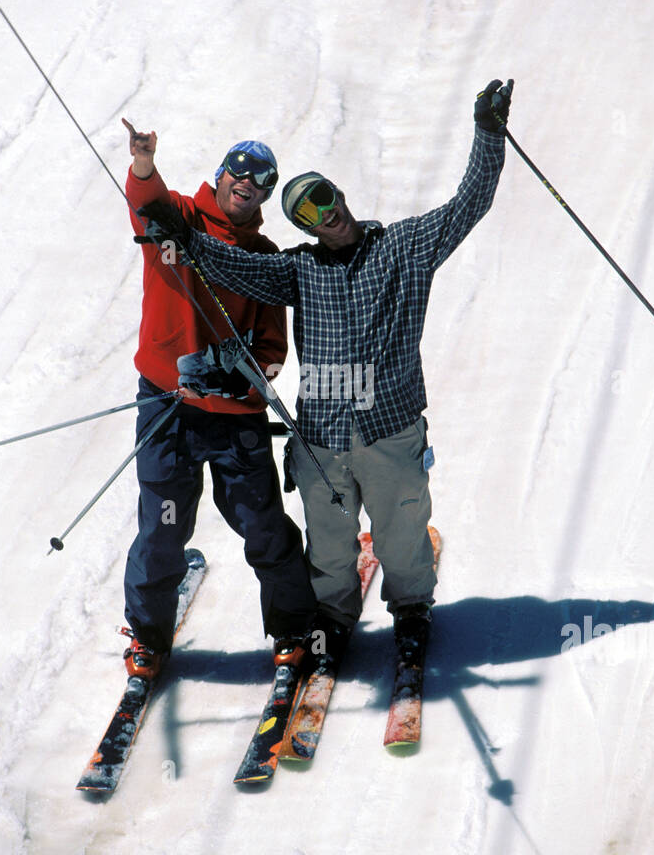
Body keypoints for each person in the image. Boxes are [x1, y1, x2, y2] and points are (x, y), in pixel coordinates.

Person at [131, 80, 512, 666]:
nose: (325, 212)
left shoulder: (404, 247)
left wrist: (488, 133)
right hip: (323, 439)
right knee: (329, 544)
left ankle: (411, 611)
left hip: (388, 428)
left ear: (341, 195)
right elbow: (237, 262)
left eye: (326, 196)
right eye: (307, 210)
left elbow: (472, 202)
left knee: (402, 531)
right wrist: (188, 239)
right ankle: (330, 620)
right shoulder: (297, 270)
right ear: (302, 227)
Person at [119, 119, 317, 679]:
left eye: (263, 178)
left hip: (235, 416)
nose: (249, 180)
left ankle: (294, 631)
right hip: (168, 406)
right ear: (222, 174)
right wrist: (142, 162)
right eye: (240, 168)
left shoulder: (263, 254)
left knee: (264, 527)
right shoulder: (178, 220)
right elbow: (145, 199)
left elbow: (274, 345)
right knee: (163, 528)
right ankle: (148, 638)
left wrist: (253, 378)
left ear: (265, 194)